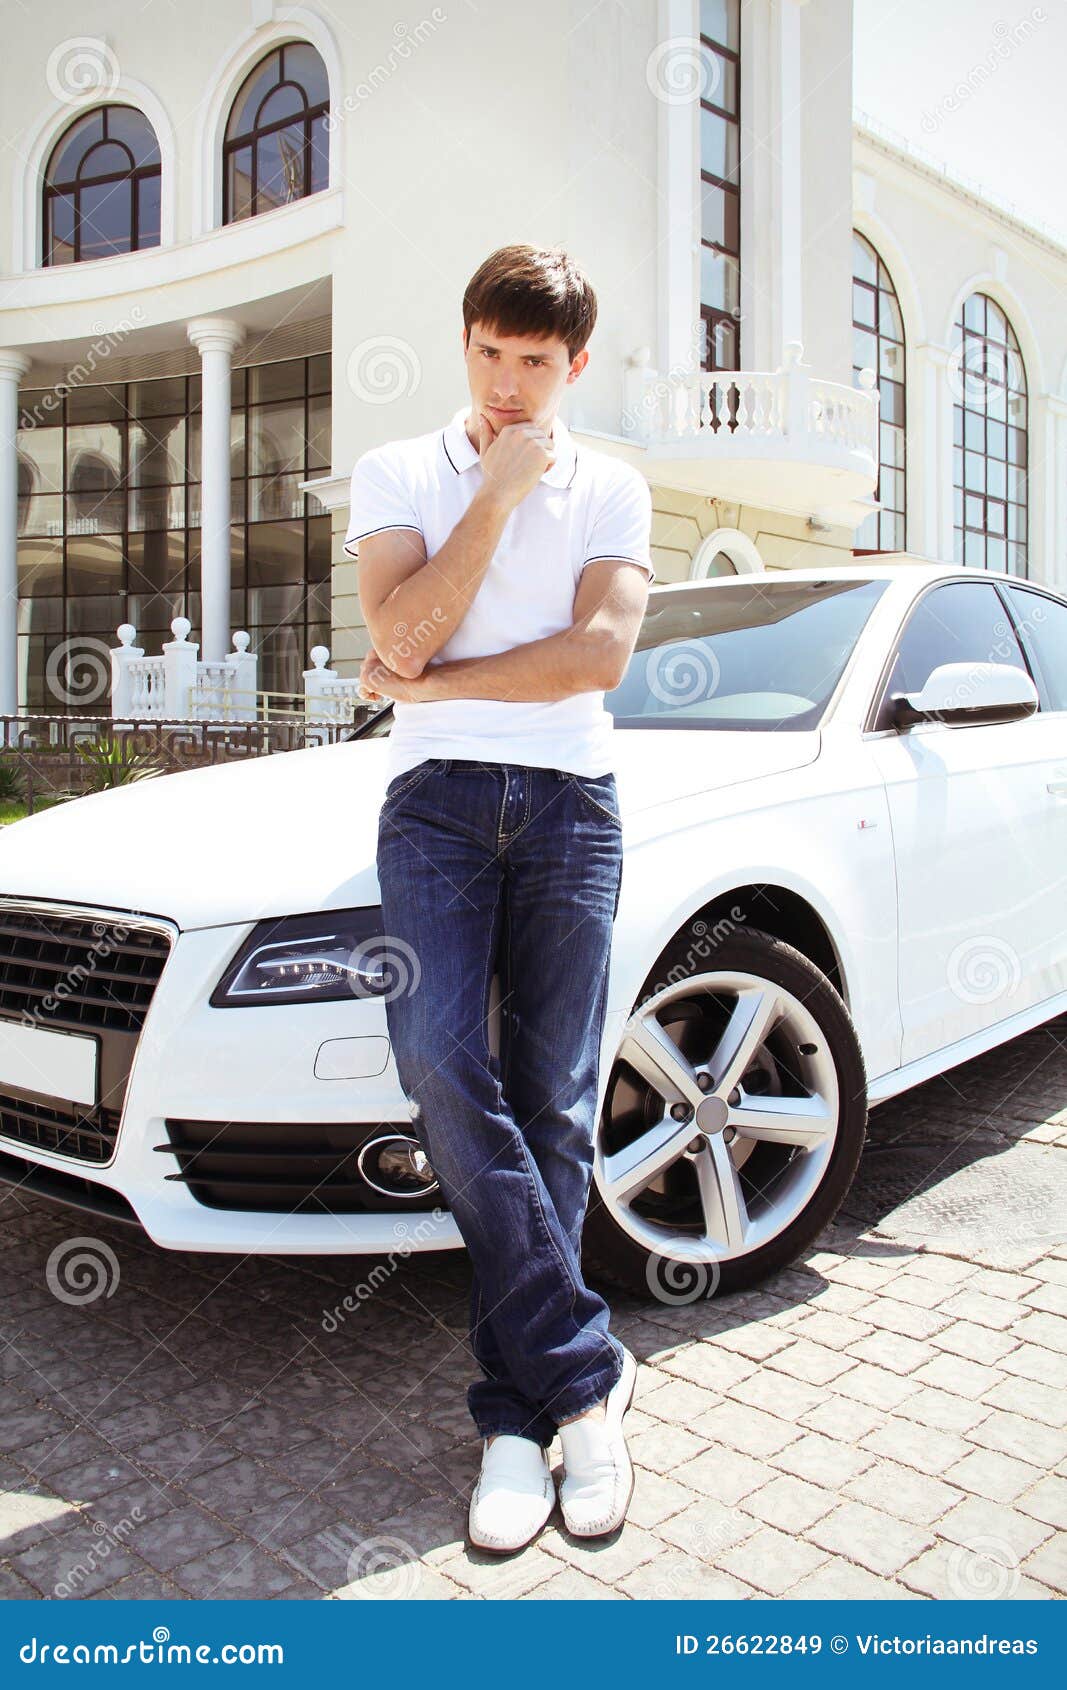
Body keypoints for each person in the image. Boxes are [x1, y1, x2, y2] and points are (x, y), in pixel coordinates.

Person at [343, 243, 654, 1554]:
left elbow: (597, 658)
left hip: (573, 805)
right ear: (464, 342)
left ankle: (514, 1423)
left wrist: (432, 682)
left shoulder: (616, 485)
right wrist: (495, 494)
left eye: (535, 361)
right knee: (436, 1058)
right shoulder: (400, 471)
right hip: (437, 806)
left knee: (554, 1099)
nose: (509, 383)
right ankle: (585, 1376)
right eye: (489, 353)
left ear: (574, 363)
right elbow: (396, 632)